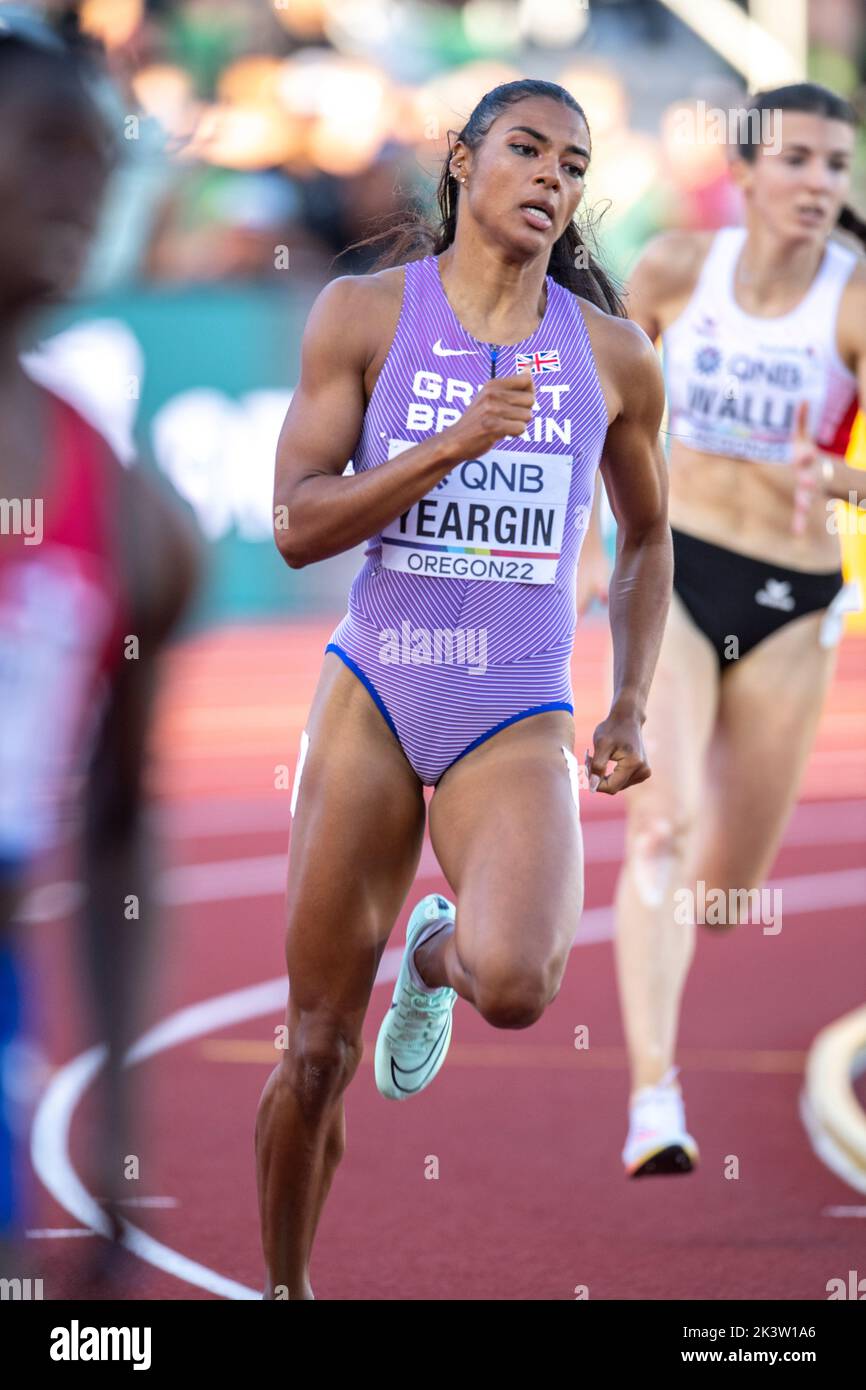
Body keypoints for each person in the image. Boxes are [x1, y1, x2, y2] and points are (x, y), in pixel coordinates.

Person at [258, 77, 672, 1299]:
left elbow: (648, 537)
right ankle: (286, 1288)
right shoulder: (365, 313)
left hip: (514, 707)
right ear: (460, 161)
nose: (551, 177)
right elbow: (291, 523)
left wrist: (631, 699)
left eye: (573, 165)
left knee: (516, 983)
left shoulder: (610, 356)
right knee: (317, 1050)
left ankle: (428, 956)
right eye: (527, 149)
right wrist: (446, 443)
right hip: (376, 693)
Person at [605, 82, 866, 1177]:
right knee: (659, 826)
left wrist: (846, 473)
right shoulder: (672, 268)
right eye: (798, 161)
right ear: (745, 172)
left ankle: (702, 910)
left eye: (836, 167)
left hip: (790, 601)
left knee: (725, 888)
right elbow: (599, 400)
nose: (818, 184)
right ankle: (651, 1098)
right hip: (677, 568)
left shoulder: (852, 304)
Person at [0, 16, 200, 1276]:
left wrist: (120, 1161)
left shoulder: (130, 515)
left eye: (101, 158)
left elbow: (124, 822)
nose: (88, 187)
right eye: (50, 150)